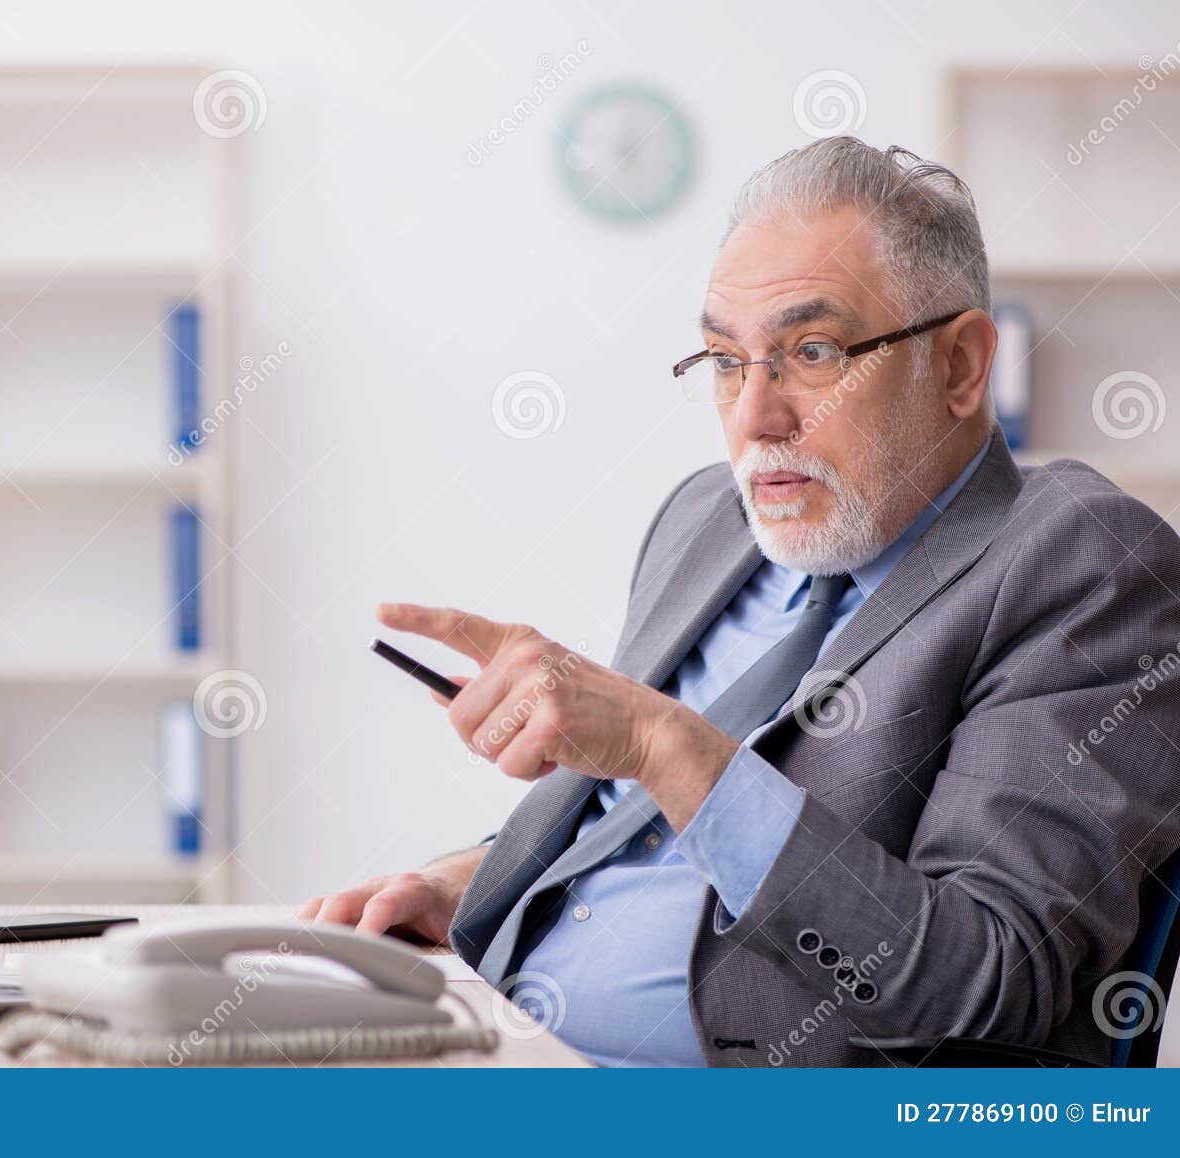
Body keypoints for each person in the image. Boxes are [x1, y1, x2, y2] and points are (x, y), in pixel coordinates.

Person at [302, 137, 1180, 1067]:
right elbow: (659, 839)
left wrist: (660, 743)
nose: (755, 418)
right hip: (494, 1032)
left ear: (961, 366)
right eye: (725, 359)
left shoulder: (1082, 562)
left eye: (812, 352)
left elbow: (987, 984)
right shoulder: (706, 522)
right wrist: (474, 883)